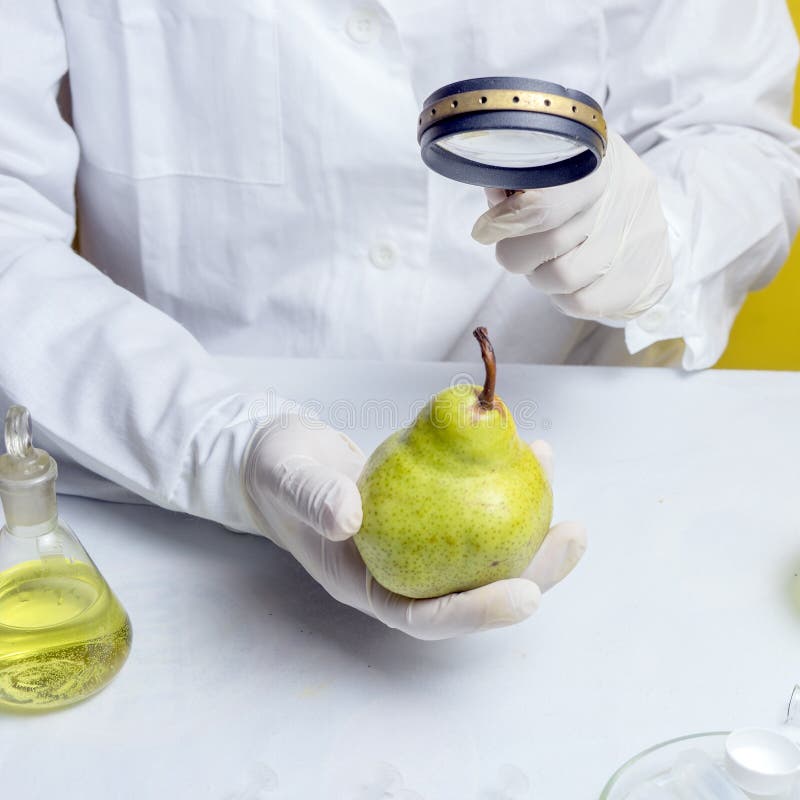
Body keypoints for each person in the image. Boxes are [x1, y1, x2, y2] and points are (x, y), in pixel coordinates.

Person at [1, 1, 798, 640]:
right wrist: (226, 446)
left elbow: (739, 135)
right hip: (161, 496)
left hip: (595, 497)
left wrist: (663, 236)